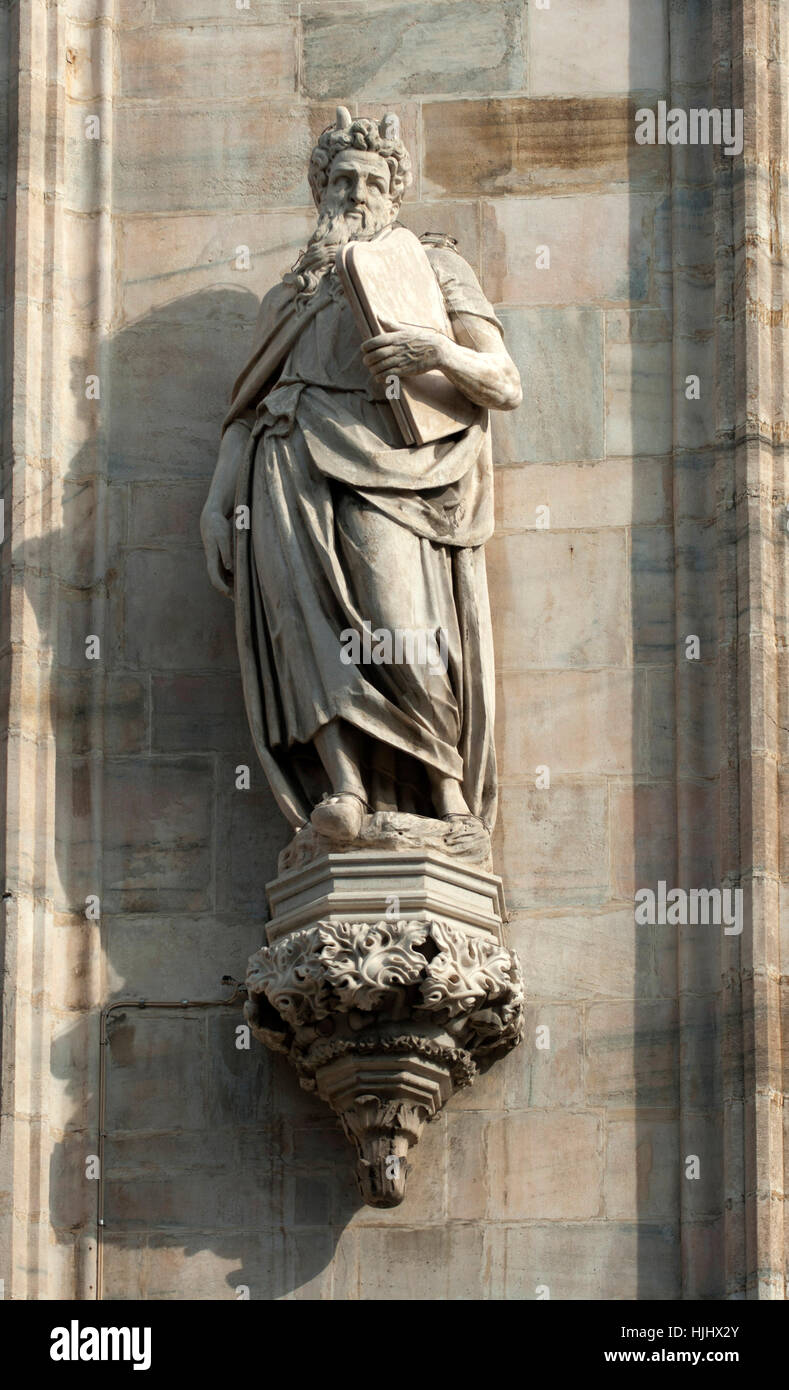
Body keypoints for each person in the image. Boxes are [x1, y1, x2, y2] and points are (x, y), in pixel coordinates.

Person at [201, 108, 522, 843]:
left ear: (394, 195)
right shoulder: (285, 297)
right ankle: (342, 789)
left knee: (400, 621)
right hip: (286, 466)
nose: (354, 192)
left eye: (371, 181)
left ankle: (447, 795)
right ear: (320, 190)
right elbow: (244, 411)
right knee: (304, 629)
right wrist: (219, 506)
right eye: (340, 178)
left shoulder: (433, 266)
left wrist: (432, 351)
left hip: (396, 471)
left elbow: (502, 381)